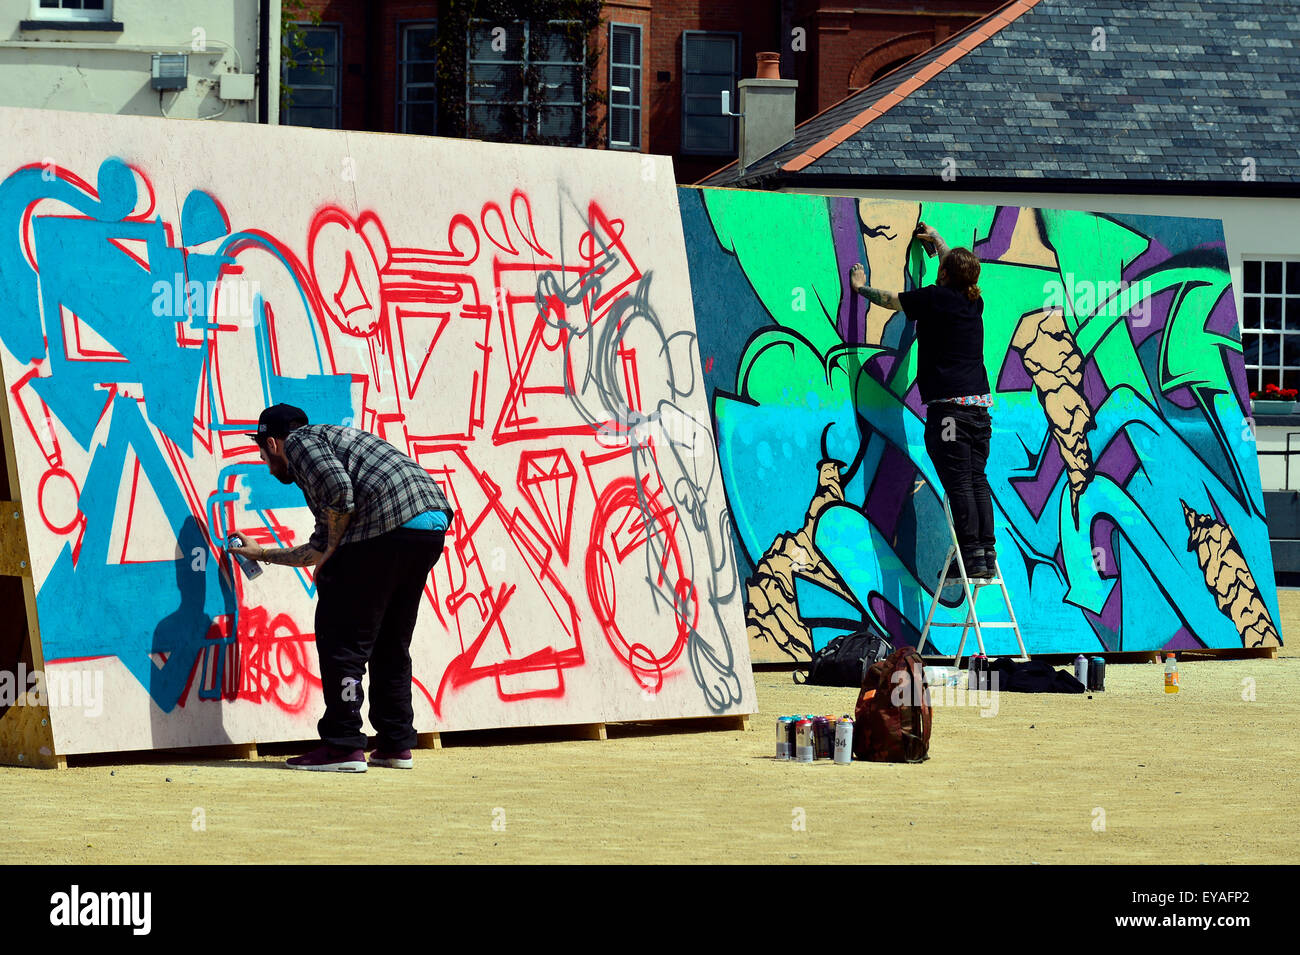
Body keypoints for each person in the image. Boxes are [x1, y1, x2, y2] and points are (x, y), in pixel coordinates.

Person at [229, 404, 455, 772]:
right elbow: (318, 547)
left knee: (342, 638)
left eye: (263, 456)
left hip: (387, 524)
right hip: (427, 525)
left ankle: (343, 745)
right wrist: (263, 554)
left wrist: (333, 551)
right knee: (389, 641)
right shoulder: (336, 447)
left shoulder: (301, 443)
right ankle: (395, 743)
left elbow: (339, 494)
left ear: (272, 442)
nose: (268, 468)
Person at [848, 222, 996, 580]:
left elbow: (892, 301)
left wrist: (859, 288)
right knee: (976, 479)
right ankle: (984, 554)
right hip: (979, 413)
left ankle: (972, 557)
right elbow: (957, 268)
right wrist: (940, 240)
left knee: (959, 482)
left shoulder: (935, 297)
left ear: (944, 274)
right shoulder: (973, 302)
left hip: (950, 413)